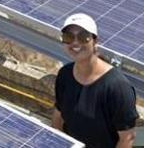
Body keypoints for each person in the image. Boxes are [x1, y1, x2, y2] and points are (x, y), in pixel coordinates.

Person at [52, 13, 138, 148]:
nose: (75, 42)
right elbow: (58, 115)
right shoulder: (65, 75)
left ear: (95, 41)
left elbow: (127, 138)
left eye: (83, 37)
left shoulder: (117, 87)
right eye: (68, 37)